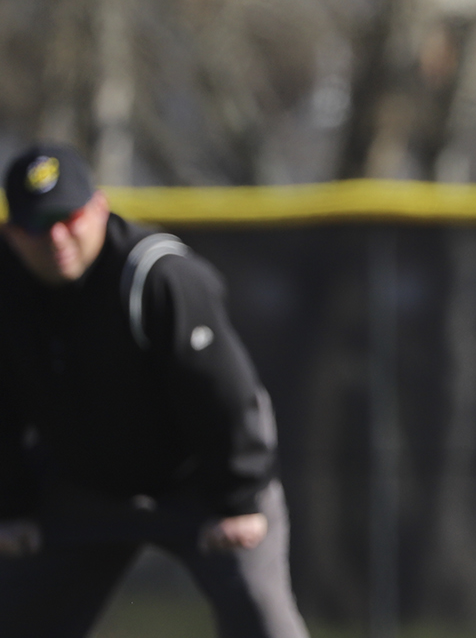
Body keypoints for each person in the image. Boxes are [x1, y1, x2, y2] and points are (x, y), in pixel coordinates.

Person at [0, 142, 308, 638]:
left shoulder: (156, 276)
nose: (55, 237)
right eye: (36, 225)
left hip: (201, 481)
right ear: (12, 233)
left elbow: (227, 394)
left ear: (98, 208)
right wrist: (10, 505)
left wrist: (240, 498)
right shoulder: (7, 288)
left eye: (69, 217)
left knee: (262, 619)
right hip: (83, 487)